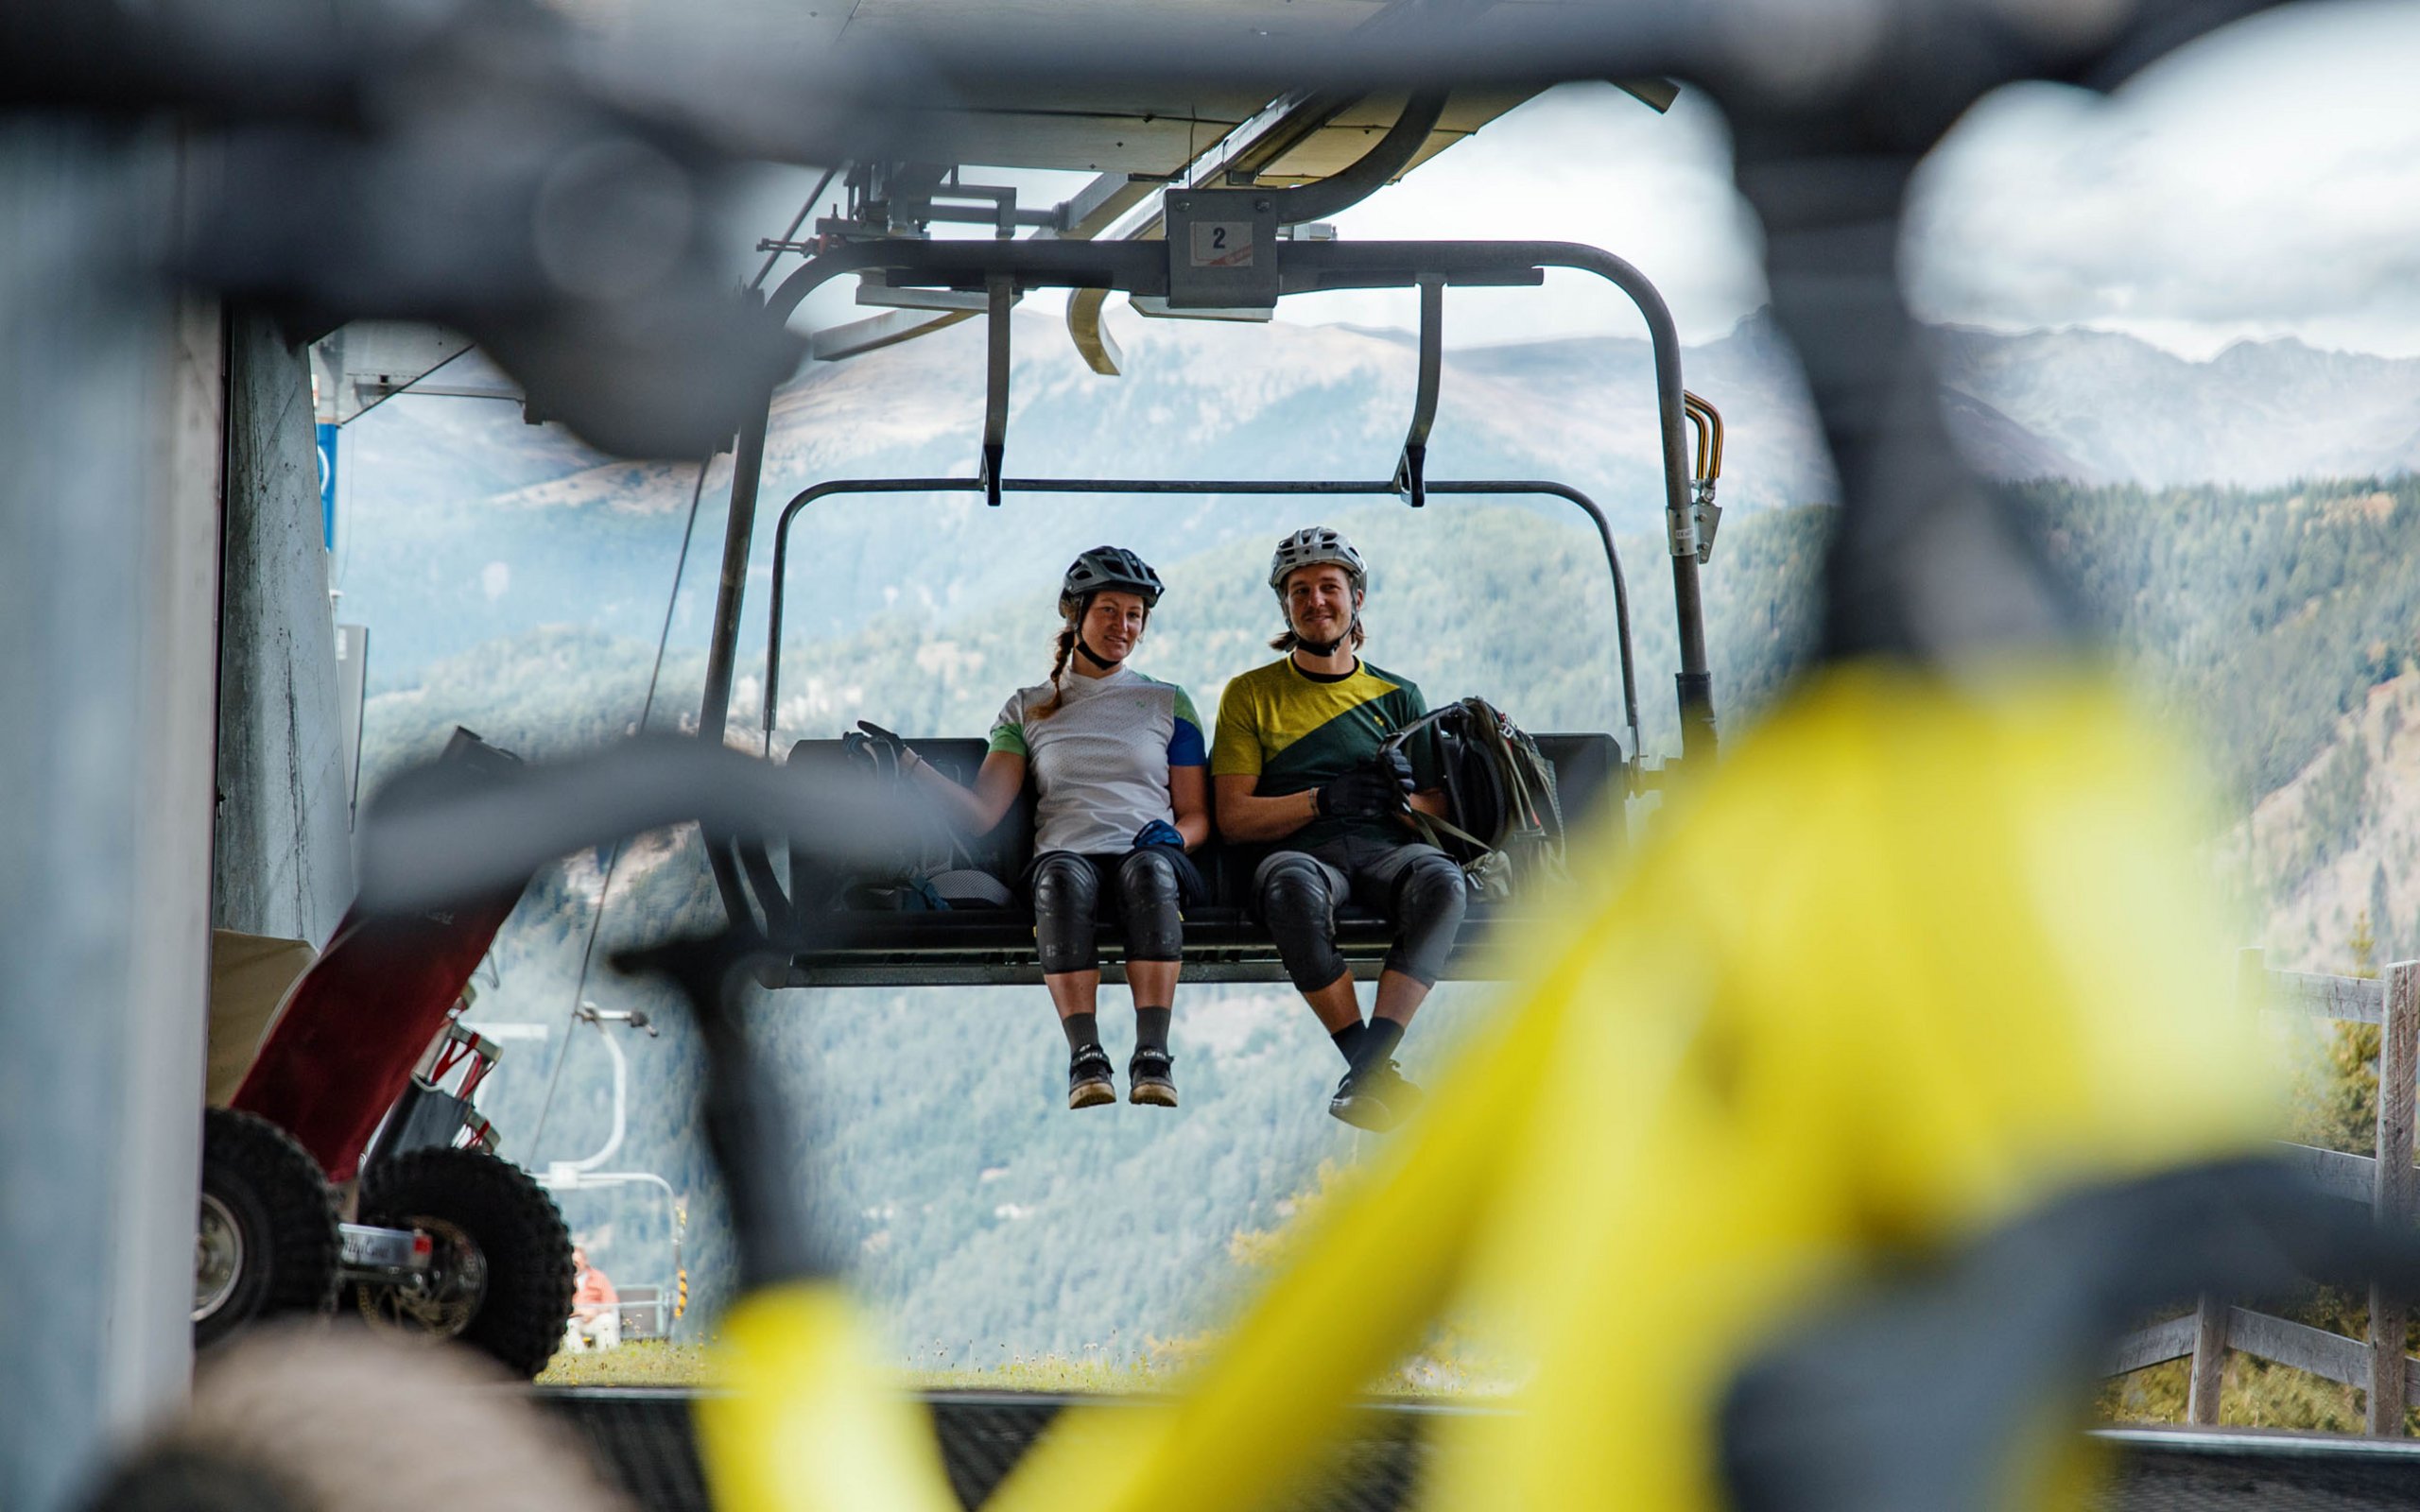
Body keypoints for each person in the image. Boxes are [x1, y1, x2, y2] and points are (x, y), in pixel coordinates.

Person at [857, 546, 1210, 1109]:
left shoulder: (1168, 702)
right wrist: (908, 764)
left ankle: (1153, 1055)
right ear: (1076, 615)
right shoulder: (1027, 708)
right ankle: (1086, 1056)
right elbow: (981, 814)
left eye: (1134, 615)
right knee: (1060, 883)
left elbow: (1195, 815)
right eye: (1109, 612)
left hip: (1152, 855)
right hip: (1066, 856)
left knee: (1148, 874)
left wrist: (1177, 838)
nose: (1123, 626)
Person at [1211, 526, 1467, 1132]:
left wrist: (1405, 798)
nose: (1316, 601)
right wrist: (1322, 800)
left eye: (1330, 587)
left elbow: (1440, 812)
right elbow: (1235, 817)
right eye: (1299, 591)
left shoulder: (1400, 696)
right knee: (1291, 889)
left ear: (1356, 600)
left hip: (1387, 851)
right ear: (1285, 606)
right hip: (1301, 854)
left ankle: (1367, 1067)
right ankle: (1372, 1067)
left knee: (1443, 882)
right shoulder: (1251, 695)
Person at [564, 1244, 620, 1352]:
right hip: (574, 1318)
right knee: (568, 1325)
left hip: (596, 1318)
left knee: (607, 1321)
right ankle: (577, 1358)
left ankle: (608, 1356)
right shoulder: (563, 1280)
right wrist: (579, 1312)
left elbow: (611, 1302)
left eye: (577, 1263)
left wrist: (595, 1311)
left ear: (585, 1261)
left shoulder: (599, 1277)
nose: (574, 1266)